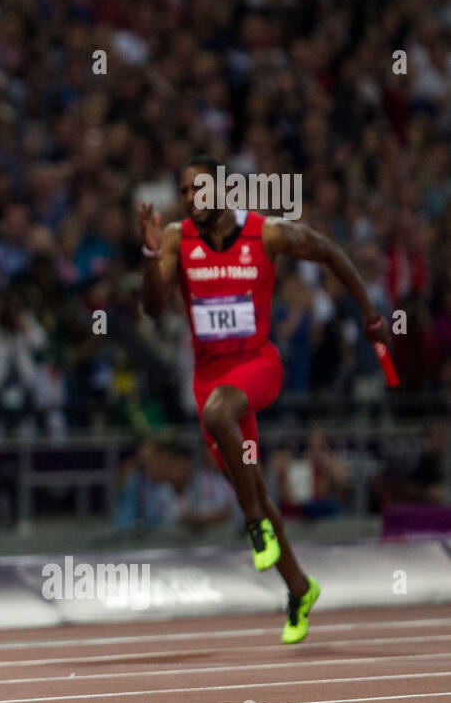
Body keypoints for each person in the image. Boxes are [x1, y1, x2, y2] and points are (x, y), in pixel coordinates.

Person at [138, 156, 390, 644]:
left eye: (200, 188)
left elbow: (330, 251)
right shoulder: (175, 239)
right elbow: (151, 309)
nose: (191, 199)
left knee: (221, 427)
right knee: (248, 479)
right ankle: (299, 587)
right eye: (185, 192)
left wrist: (370, 312)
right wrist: (150, 258)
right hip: (209, 378)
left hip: (258, 367)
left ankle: (255, 526)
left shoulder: (267, 234)